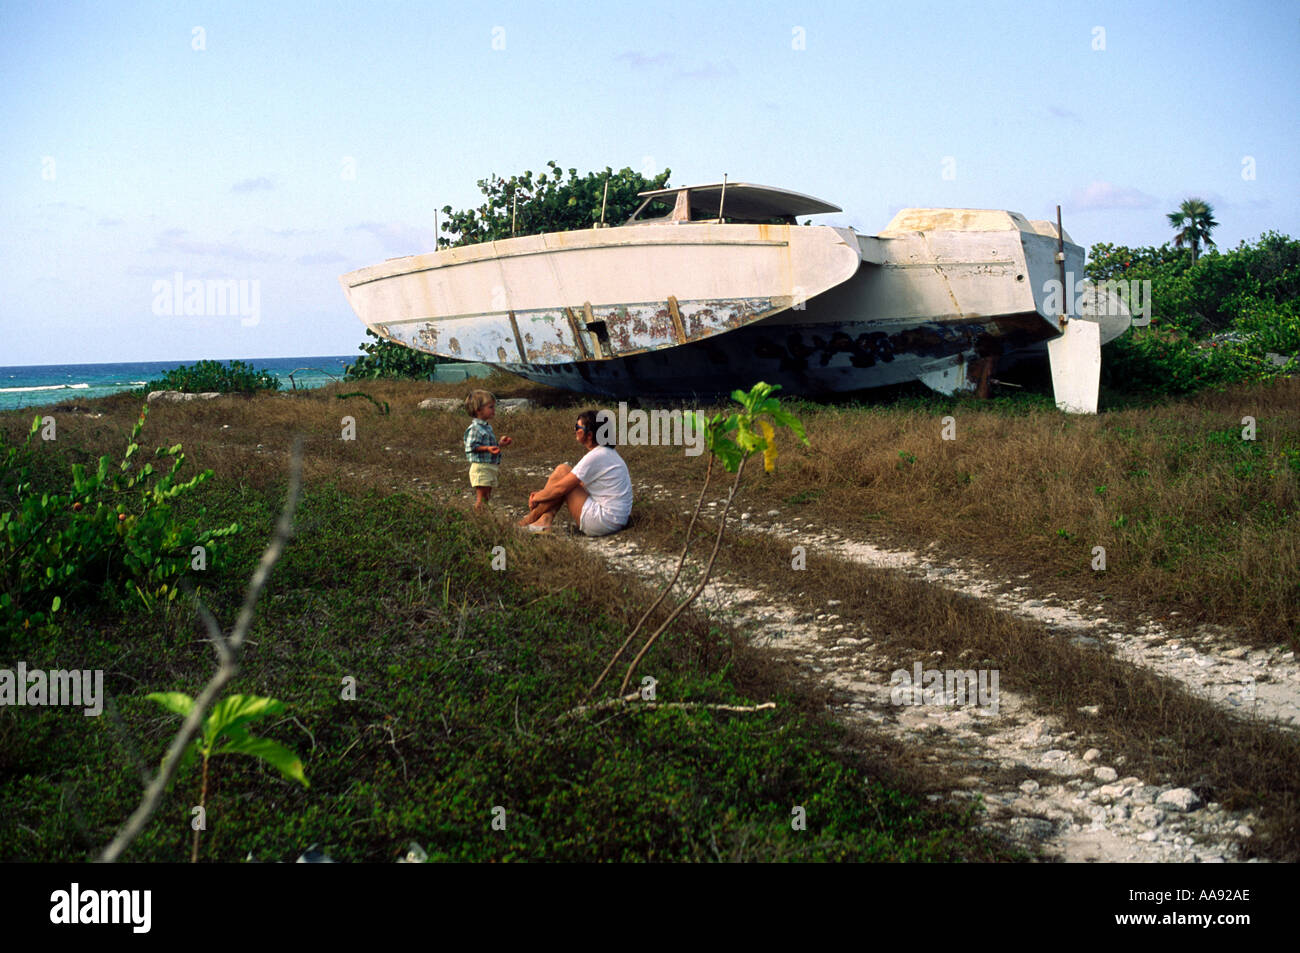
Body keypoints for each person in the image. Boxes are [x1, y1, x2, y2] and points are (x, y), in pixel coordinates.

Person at [519, 409, 632, 535]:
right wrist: (544, 494)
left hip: (602, 521)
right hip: (616, 520)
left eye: (578, 427)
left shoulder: (596, 455)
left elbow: (560, 489)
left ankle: (529, 520)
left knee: (563, 471)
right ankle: (544, 520)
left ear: (589, 435)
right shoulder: (608, 453)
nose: (575, 430)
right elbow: (580, 486)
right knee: (566, 477)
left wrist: (537, 497)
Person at [463, 389, 511, 511]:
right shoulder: (475, 428)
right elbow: (471, 447)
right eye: (490, 407)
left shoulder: (486, 427)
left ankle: (483, 516)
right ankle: (478, 517)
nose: (493, 410)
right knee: (482, 498)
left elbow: (489, 446)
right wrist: (487, 448)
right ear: (478, 410)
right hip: (481, 467)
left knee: (487, 497)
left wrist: (499, 444)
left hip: (489, 466)